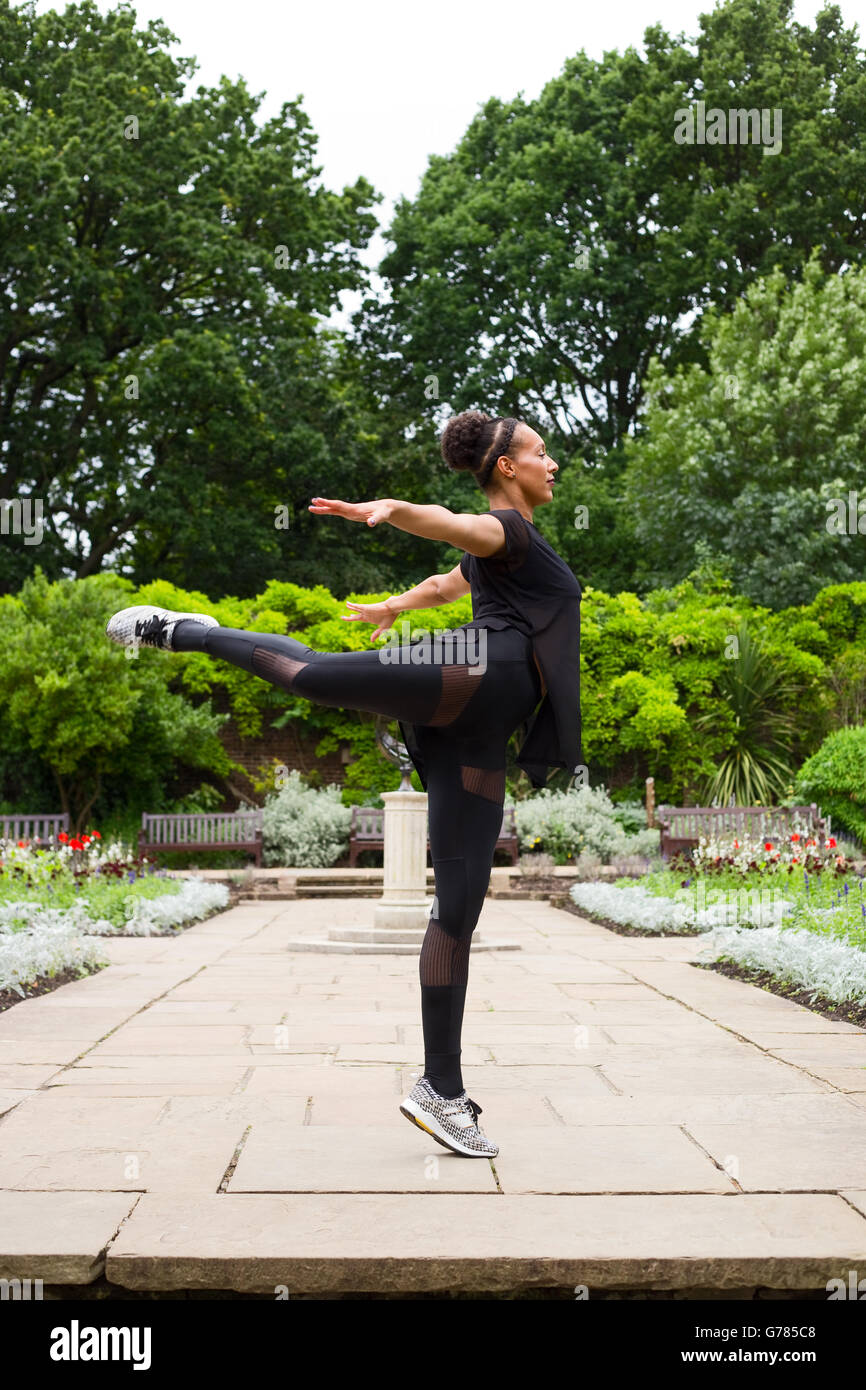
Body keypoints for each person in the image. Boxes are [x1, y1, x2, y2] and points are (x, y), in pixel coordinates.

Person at [105, 410, 583, 1158]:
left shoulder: (514, 553)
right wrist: (393, 512)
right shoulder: (507, 531)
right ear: (505, 470)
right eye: (541, 453)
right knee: (311, 673)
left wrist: (395, 606)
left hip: (482, 731)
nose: (552, 465)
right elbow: (455, 529)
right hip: (474, 673)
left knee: (457, 909)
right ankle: (183, 630)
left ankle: (441, 1090)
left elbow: (448, 579)